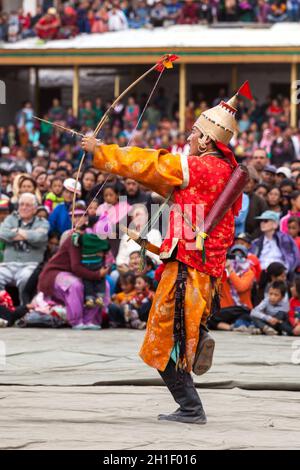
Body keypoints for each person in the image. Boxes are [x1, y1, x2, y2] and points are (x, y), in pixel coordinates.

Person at [82, 82, 250, 424]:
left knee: (159, 337)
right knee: (176, 331)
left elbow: (148, 163)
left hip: (186, 267)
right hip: (206, 269)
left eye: (193, 134)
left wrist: (101, 152)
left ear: (205, 140)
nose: (188, 139)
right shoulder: (226, 173)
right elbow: (161, 180)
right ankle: (197, 340)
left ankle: (191, 406)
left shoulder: (194, 168)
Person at [0, 193, 49, 304]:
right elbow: (2, 233)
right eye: (21, 204)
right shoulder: (10, 219)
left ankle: (23, 310)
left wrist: (16, 231)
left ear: (35, 208)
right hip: (7, 265)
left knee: (25, 278)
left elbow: (39, 237)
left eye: (28, 205)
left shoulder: (42, 222)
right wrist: (30, 235)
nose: (24, 207)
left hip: (30, 265)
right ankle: (4, 308)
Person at [250, 210, 299, 277]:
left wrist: (286, 272)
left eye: (266, 221)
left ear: (275, 224)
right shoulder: (256, 243)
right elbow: (251, 261)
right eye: (261, 221)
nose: (262, 223)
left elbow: (295, 257)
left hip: (281, 276)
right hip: (261, 277)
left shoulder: (285, 239)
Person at [72, 230, 110, 309]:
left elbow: (75, 242)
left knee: (87, 280)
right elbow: (107, 246)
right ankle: (99, 297)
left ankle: (89, 299)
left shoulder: (83, 237)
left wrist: (75, 234)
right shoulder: (101, 238)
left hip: (86, 263)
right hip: (97, 262)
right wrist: (103, 251)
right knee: (100, 278)